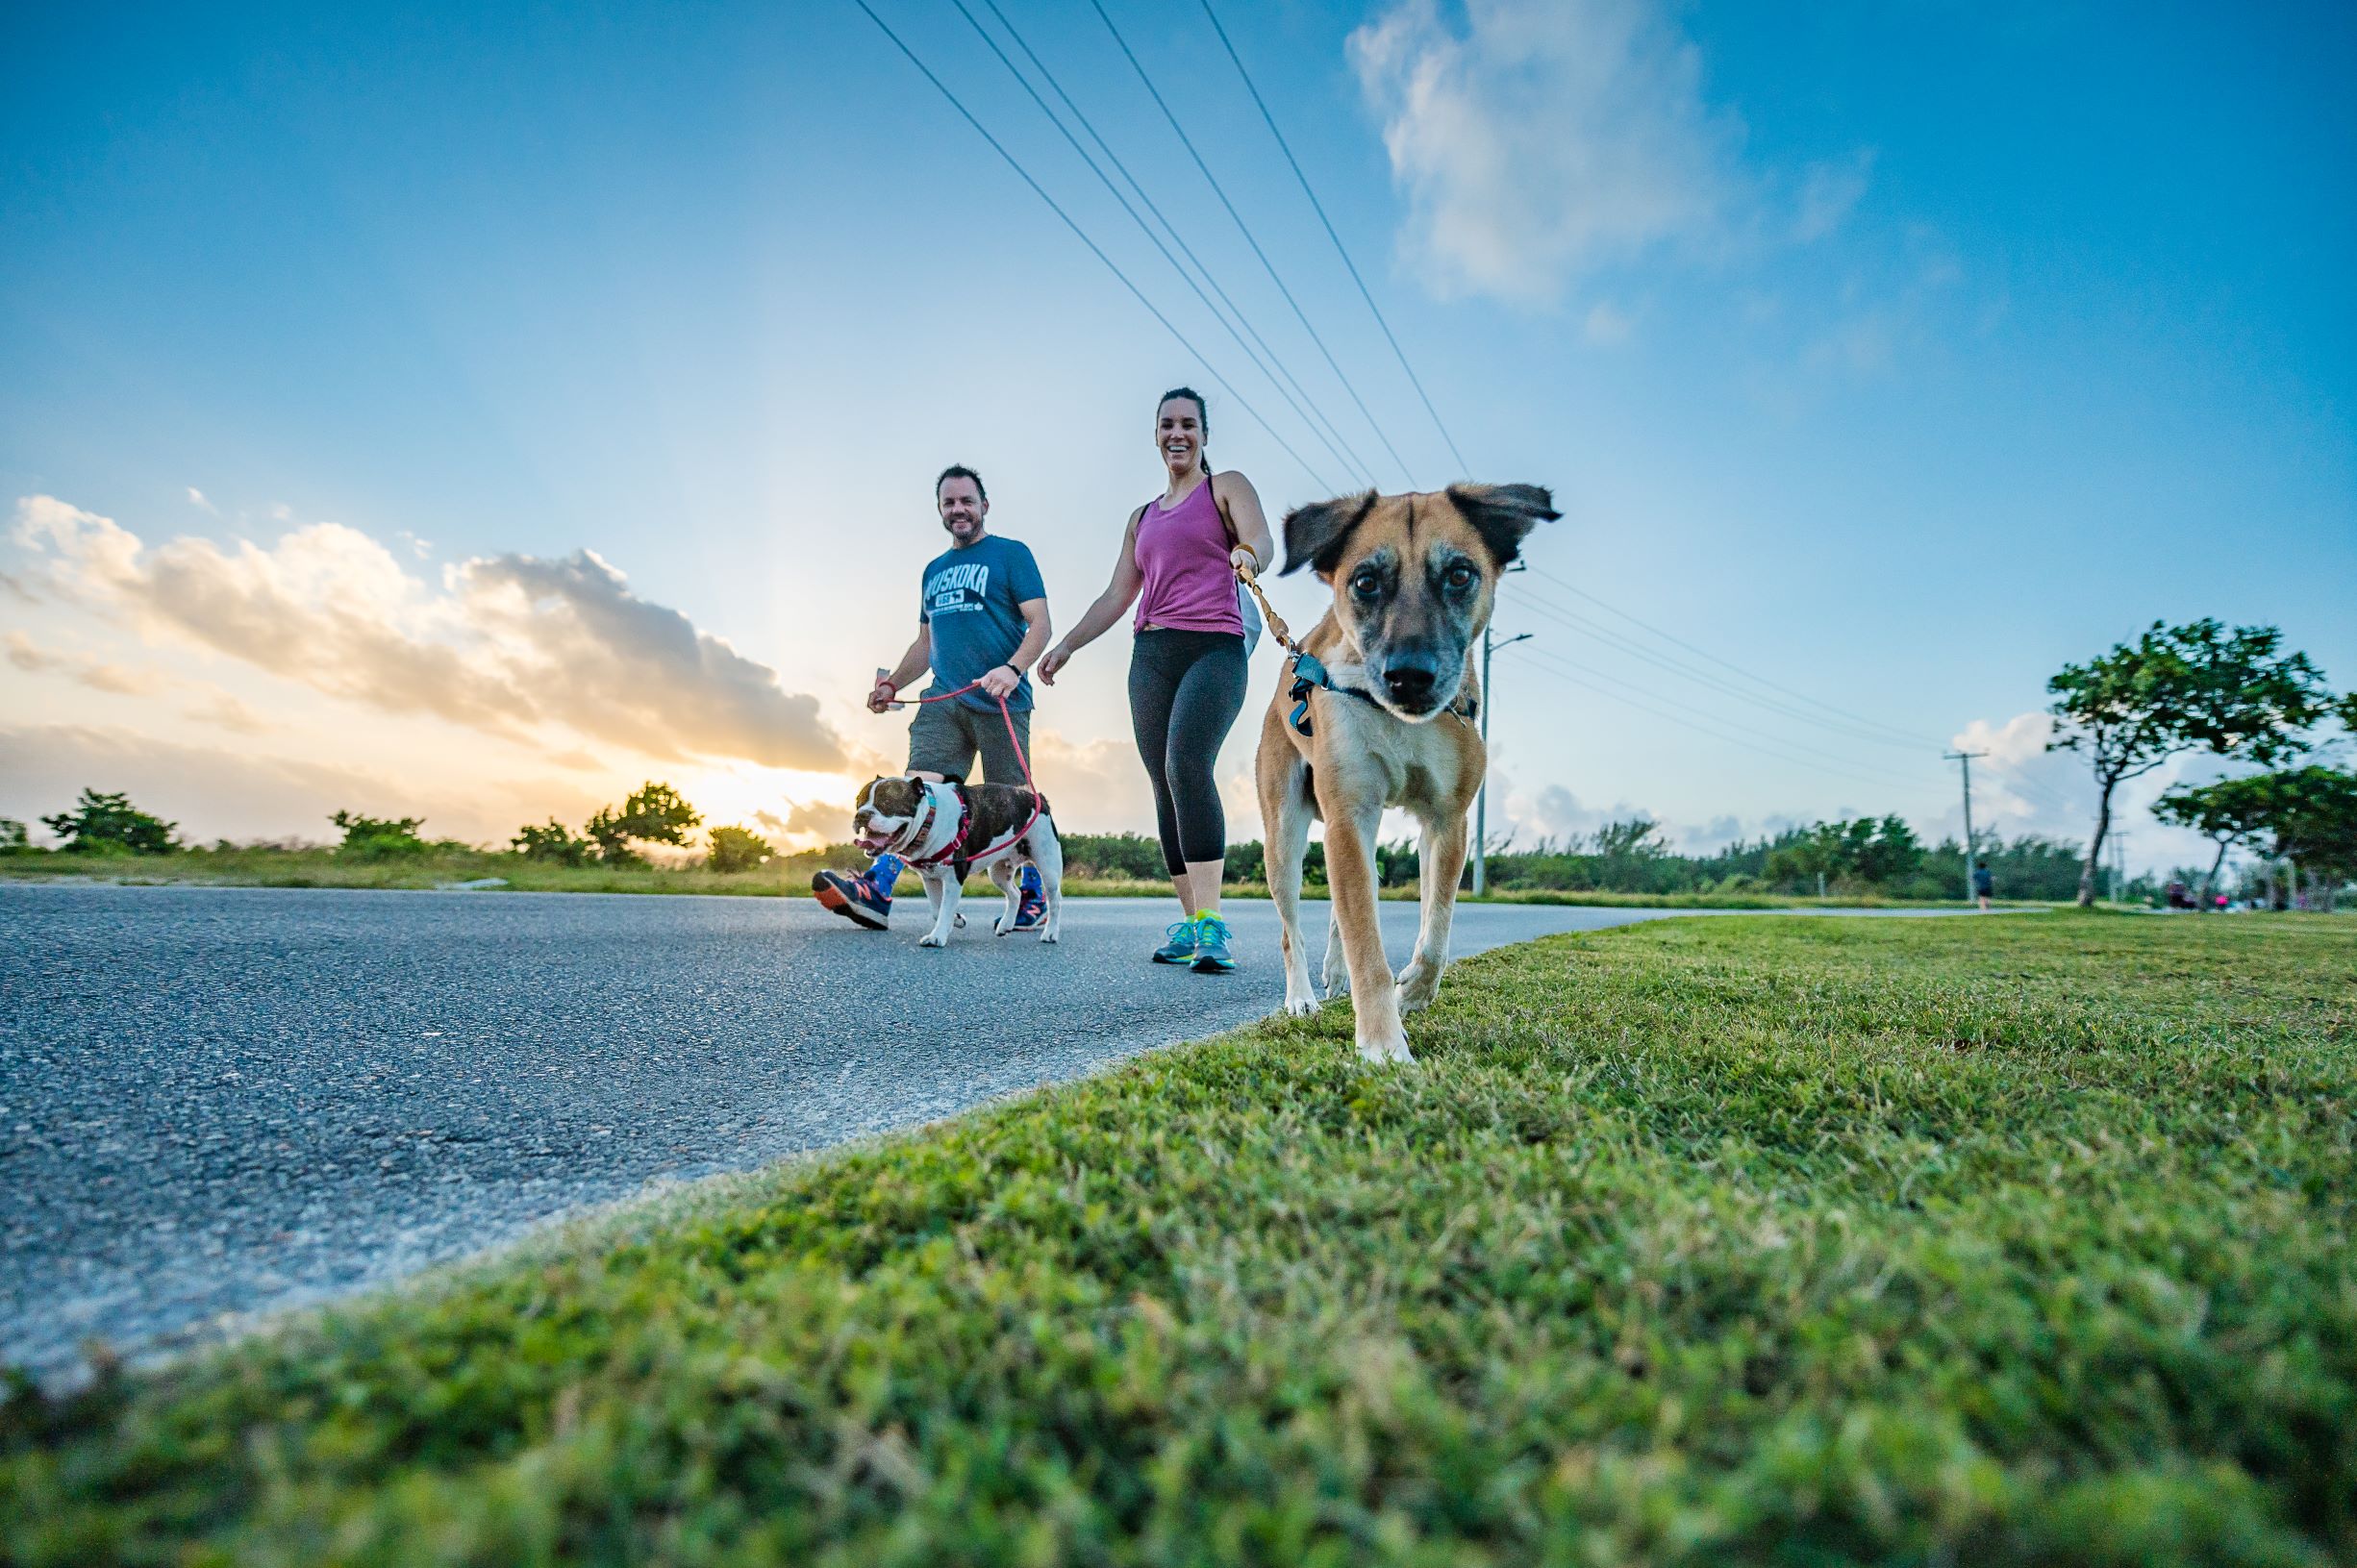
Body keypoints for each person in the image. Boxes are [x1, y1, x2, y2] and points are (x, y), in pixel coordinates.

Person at [1039, 387, 1275, 973]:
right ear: (1155, 435)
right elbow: (1118, 593)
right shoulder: (1141, 518)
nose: (1178, 433)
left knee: (1187, 764)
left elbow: (1262, 540)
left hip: (1216, 646)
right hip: (1152, 652)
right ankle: (1192, 924)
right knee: (1162, 781)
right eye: (1167, 424)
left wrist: (1247, 555)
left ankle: (1213, 925)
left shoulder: (1225, 487)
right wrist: (1066, 645)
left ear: (1204, 434)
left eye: (1189, 424)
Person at [813, 464, 1052, 931]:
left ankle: (1033, 894)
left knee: (1015, 803)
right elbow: (925, 644)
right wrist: (892, 685)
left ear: (984, 505)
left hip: (1001, 699)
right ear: (940, 510)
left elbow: (1040, 624)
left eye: (967, 501)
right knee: (914, 791)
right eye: (949, 502)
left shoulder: (1011, 554)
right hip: (943, 701)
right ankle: (878, 887)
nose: (958, 509)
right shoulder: (933, 571)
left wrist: (1012, 668)